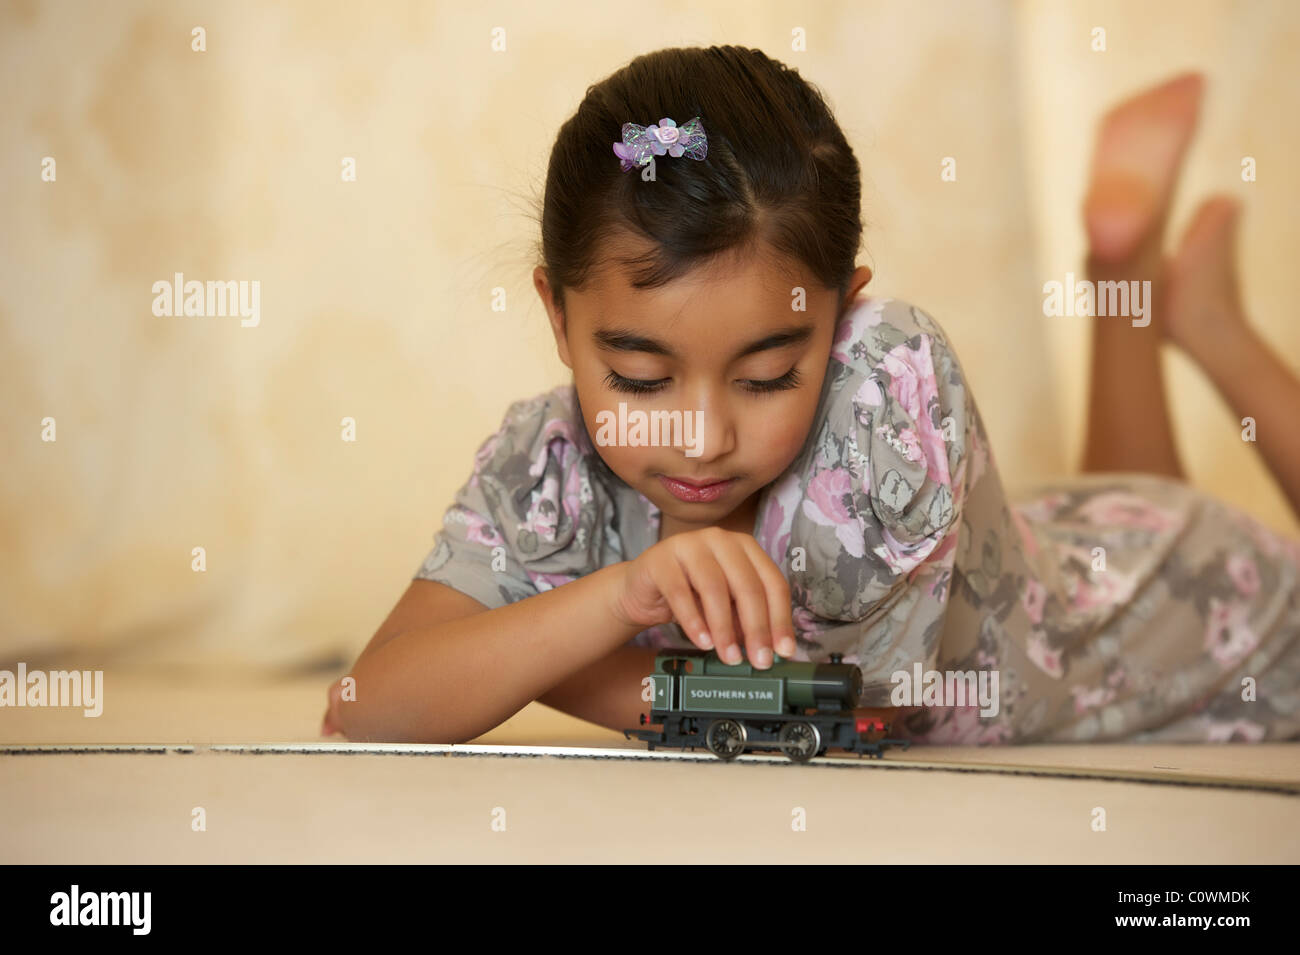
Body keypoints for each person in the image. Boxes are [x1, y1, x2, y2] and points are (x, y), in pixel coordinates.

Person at [322, 50, 1300, 746]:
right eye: (639, 376)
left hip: (1224, 611)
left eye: (764, 377)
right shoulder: (549, 457)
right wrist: (623, 590)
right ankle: (1130, 279)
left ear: (840, 317)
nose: (701, 438)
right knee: (1097, 542)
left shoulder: (886, 397)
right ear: (557, 313)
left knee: (1134, 567)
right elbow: (368, 702)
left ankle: (1212, 330)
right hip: (1072, 561)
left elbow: (838, 711)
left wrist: (532, 647)